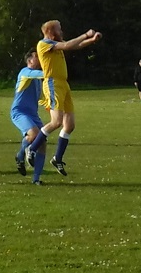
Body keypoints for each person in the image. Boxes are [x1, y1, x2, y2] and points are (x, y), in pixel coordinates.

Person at [23, 19, 101, 181]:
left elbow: (73, 45)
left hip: (63, 84)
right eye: (59, 29)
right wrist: (86, 34)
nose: (62, 31)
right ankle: (32, 148)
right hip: (52, 83)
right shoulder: (44, 44)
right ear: (51, 32)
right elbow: (67, 46)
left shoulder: (56, 44)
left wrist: (91, 41)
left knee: (69, 125)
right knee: (56, 121)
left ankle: (57, 158)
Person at [8, 52, 45, 178]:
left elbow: (41, 98)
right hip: (19, 112)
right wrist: (52, 70)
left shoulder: (38, 82)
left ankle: (36, 178)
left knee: (43, 142)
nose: (40, 59)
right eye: (37, 57)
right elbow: (41, 74)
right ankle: (21, 155)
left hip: (33, 114)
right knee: (34, 134)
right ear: (29, 60)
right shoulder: (25, 72)